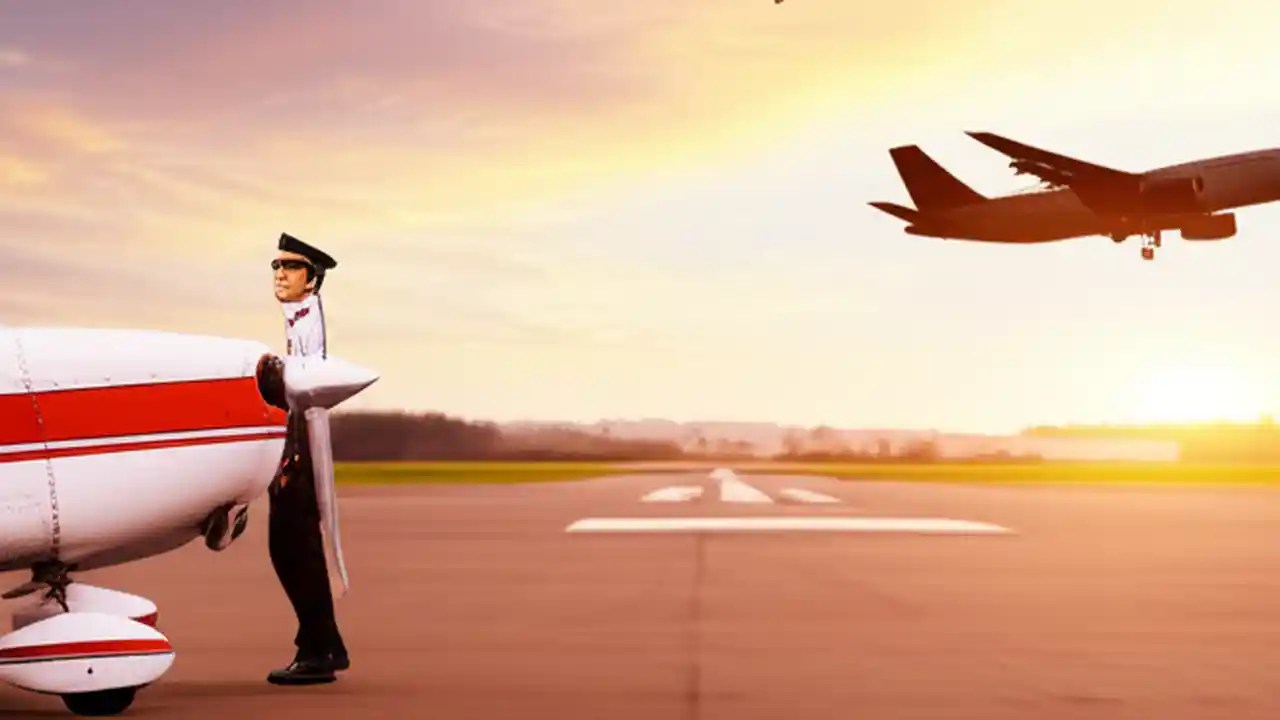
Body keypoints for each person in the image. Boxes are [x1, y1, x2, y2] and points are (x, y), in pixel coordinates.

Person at [265, 232, 349, 685]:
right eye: (276, 266)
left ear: (312, 279)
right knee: (293, 549)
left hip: (300, 451)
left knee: (294, 550)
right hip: (296, 448)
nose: (280, 274)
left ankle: (322, 649)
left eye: (291, 266)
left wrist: (291, 457)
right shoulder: (296, 317)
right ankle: (318, 643)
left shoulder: (307, 322)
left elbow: (306, 393)